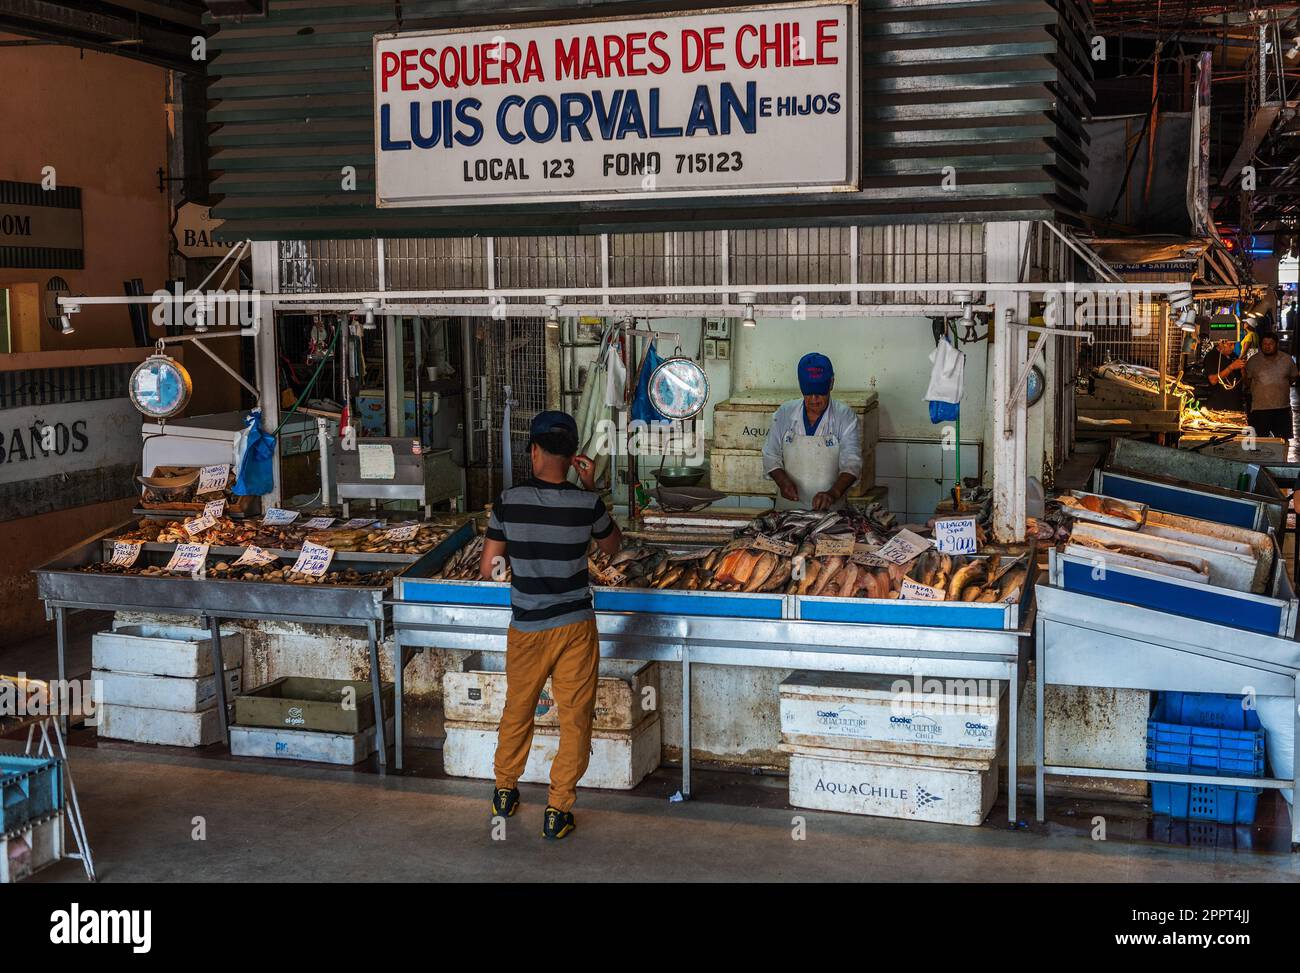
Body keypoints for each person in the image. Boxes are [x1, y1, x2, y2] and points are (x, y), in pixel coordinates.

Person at [480, 410, 622, 840]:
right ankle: (557, 810)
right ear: (573, 456)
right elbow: (614, 547)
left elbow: (490, 569)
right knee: (576, 719)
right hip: (576, 625)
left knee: (518, 708)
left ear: (535, 451)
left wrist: (523, 567)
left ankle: (505, 791)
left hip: (526, 627)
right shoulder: (587, 504)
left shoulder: (509, 500)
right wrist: (593, 487)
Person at [761, 352, 862, 510]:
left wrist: (833, 493)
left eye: (820, 392)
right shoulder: (785, 413)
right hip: (788, 511)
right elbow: (770, 454)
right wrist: (783, 481)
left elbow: (852, 463)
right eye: (808, 393)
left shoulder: (845, 417)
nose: (814, 399)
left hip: (831, 514)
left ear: (831, 383)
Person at [1242, 330, 1298, 442]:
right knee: (1260, 442)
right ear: (1261, 345)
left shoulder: (1287, 360)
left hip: (1282, 409)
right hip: (1260, 409)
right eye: (1264, 344)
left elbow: (1293, 378)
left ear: (1276, 344)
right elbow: (1248, 382)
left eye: (1270, 344)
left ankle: (1282, 460)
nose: (1267, 347)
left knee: (1283, 441)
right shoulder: (1253, 361)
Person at [1201, 337, 1246, 412]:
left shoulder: (1233, 356)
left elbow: (1243, 378)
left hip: (1235, 404)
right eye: (1230, 344)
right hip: (1219, 405)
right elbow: (1213, 380)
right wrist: (1231, 367)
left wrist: (1243, 368)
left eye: (1234, 344)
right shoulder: (1211, 356)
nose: (1232, 347)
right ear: (1220, 343)